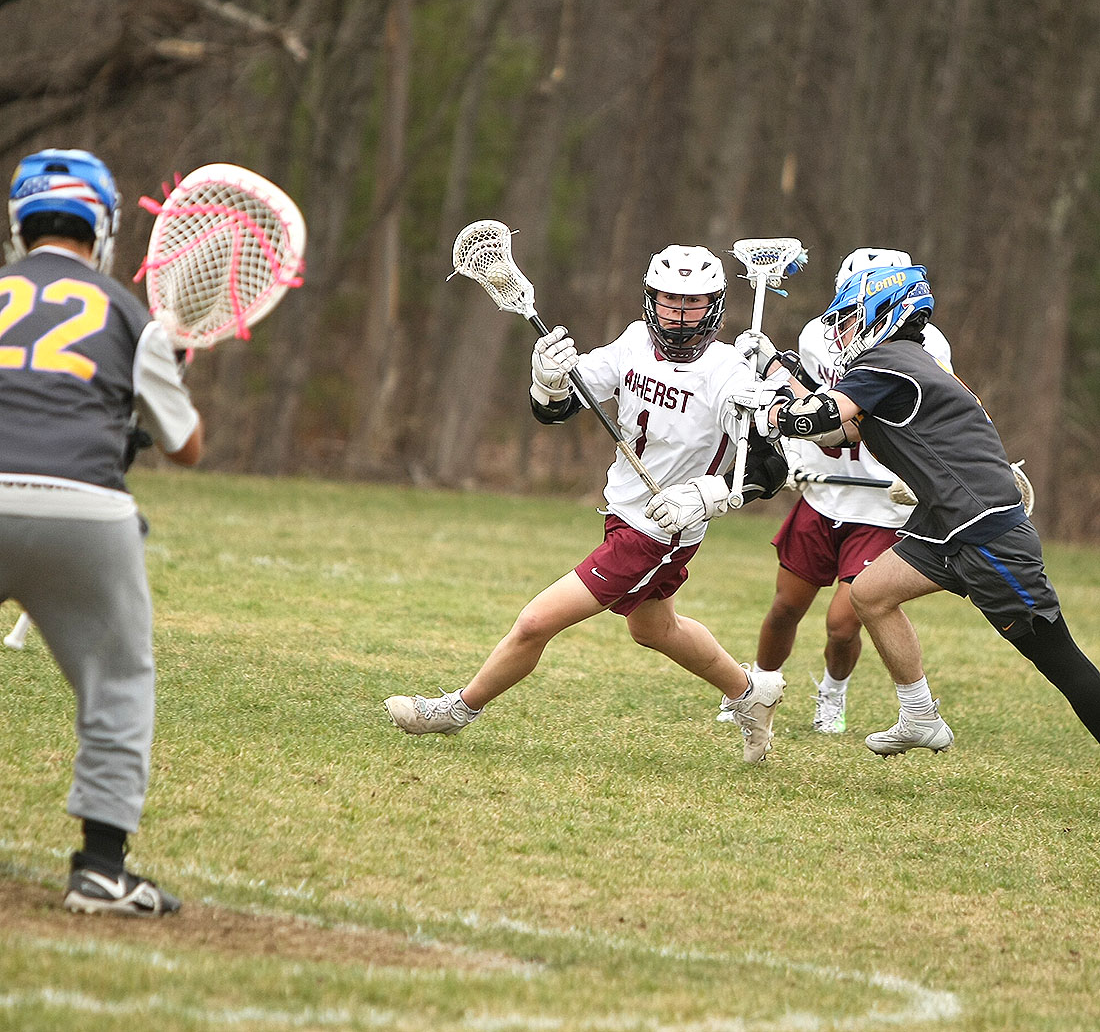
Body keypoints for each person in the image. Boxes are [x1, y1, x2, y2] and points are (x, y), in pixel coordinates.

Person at [384, 245, 790, 762]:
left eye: (694, 302)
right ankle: (751, 692)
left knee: (535, 623)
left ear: (716, 305)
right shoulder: (634, 342)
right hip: (625, 513)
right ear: (651, 299)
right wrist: (547, 381)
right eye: (670, 300)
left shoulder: (729, 370)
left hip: (660, 531)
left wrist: (709, 495)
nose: (680, 314)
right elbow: (557, 409)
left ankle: (456, 710)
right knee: (654, 628)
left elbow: (770, 465)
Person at [739, 263, 1100, 755]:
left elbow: (818, 417)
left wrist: (762, 411)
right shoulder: (899, 365)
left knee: (1059, 659)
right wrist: (778, 369)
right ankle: (920, 717)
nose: (841, 331)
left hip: (985, 533)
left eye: (847, 317)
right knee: (869, 594)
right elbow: (839, 430)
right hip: (946, 526)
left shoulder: (889, 364)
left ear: (883, 311)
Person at [0, 149, 204, 914]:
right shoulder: (129, 312)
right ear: (104, 228)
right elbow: (186, 445)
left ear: (20, 227)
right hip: (84, 508)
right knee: (116, 682)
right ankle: (101, 867)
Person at [725, 248, 952, 736]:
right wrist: (772, 366)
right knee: (786, 606)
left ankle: (833, 693)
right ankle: (756, 688)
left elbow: (863, 418)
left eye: (856, 310)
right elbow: (813, 393)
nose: (843, 323)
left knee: (843, 622)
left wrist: (921, 471)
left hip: (880, 507)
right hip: (823, 496)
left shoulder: (925, 346)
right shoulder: (818, 335)